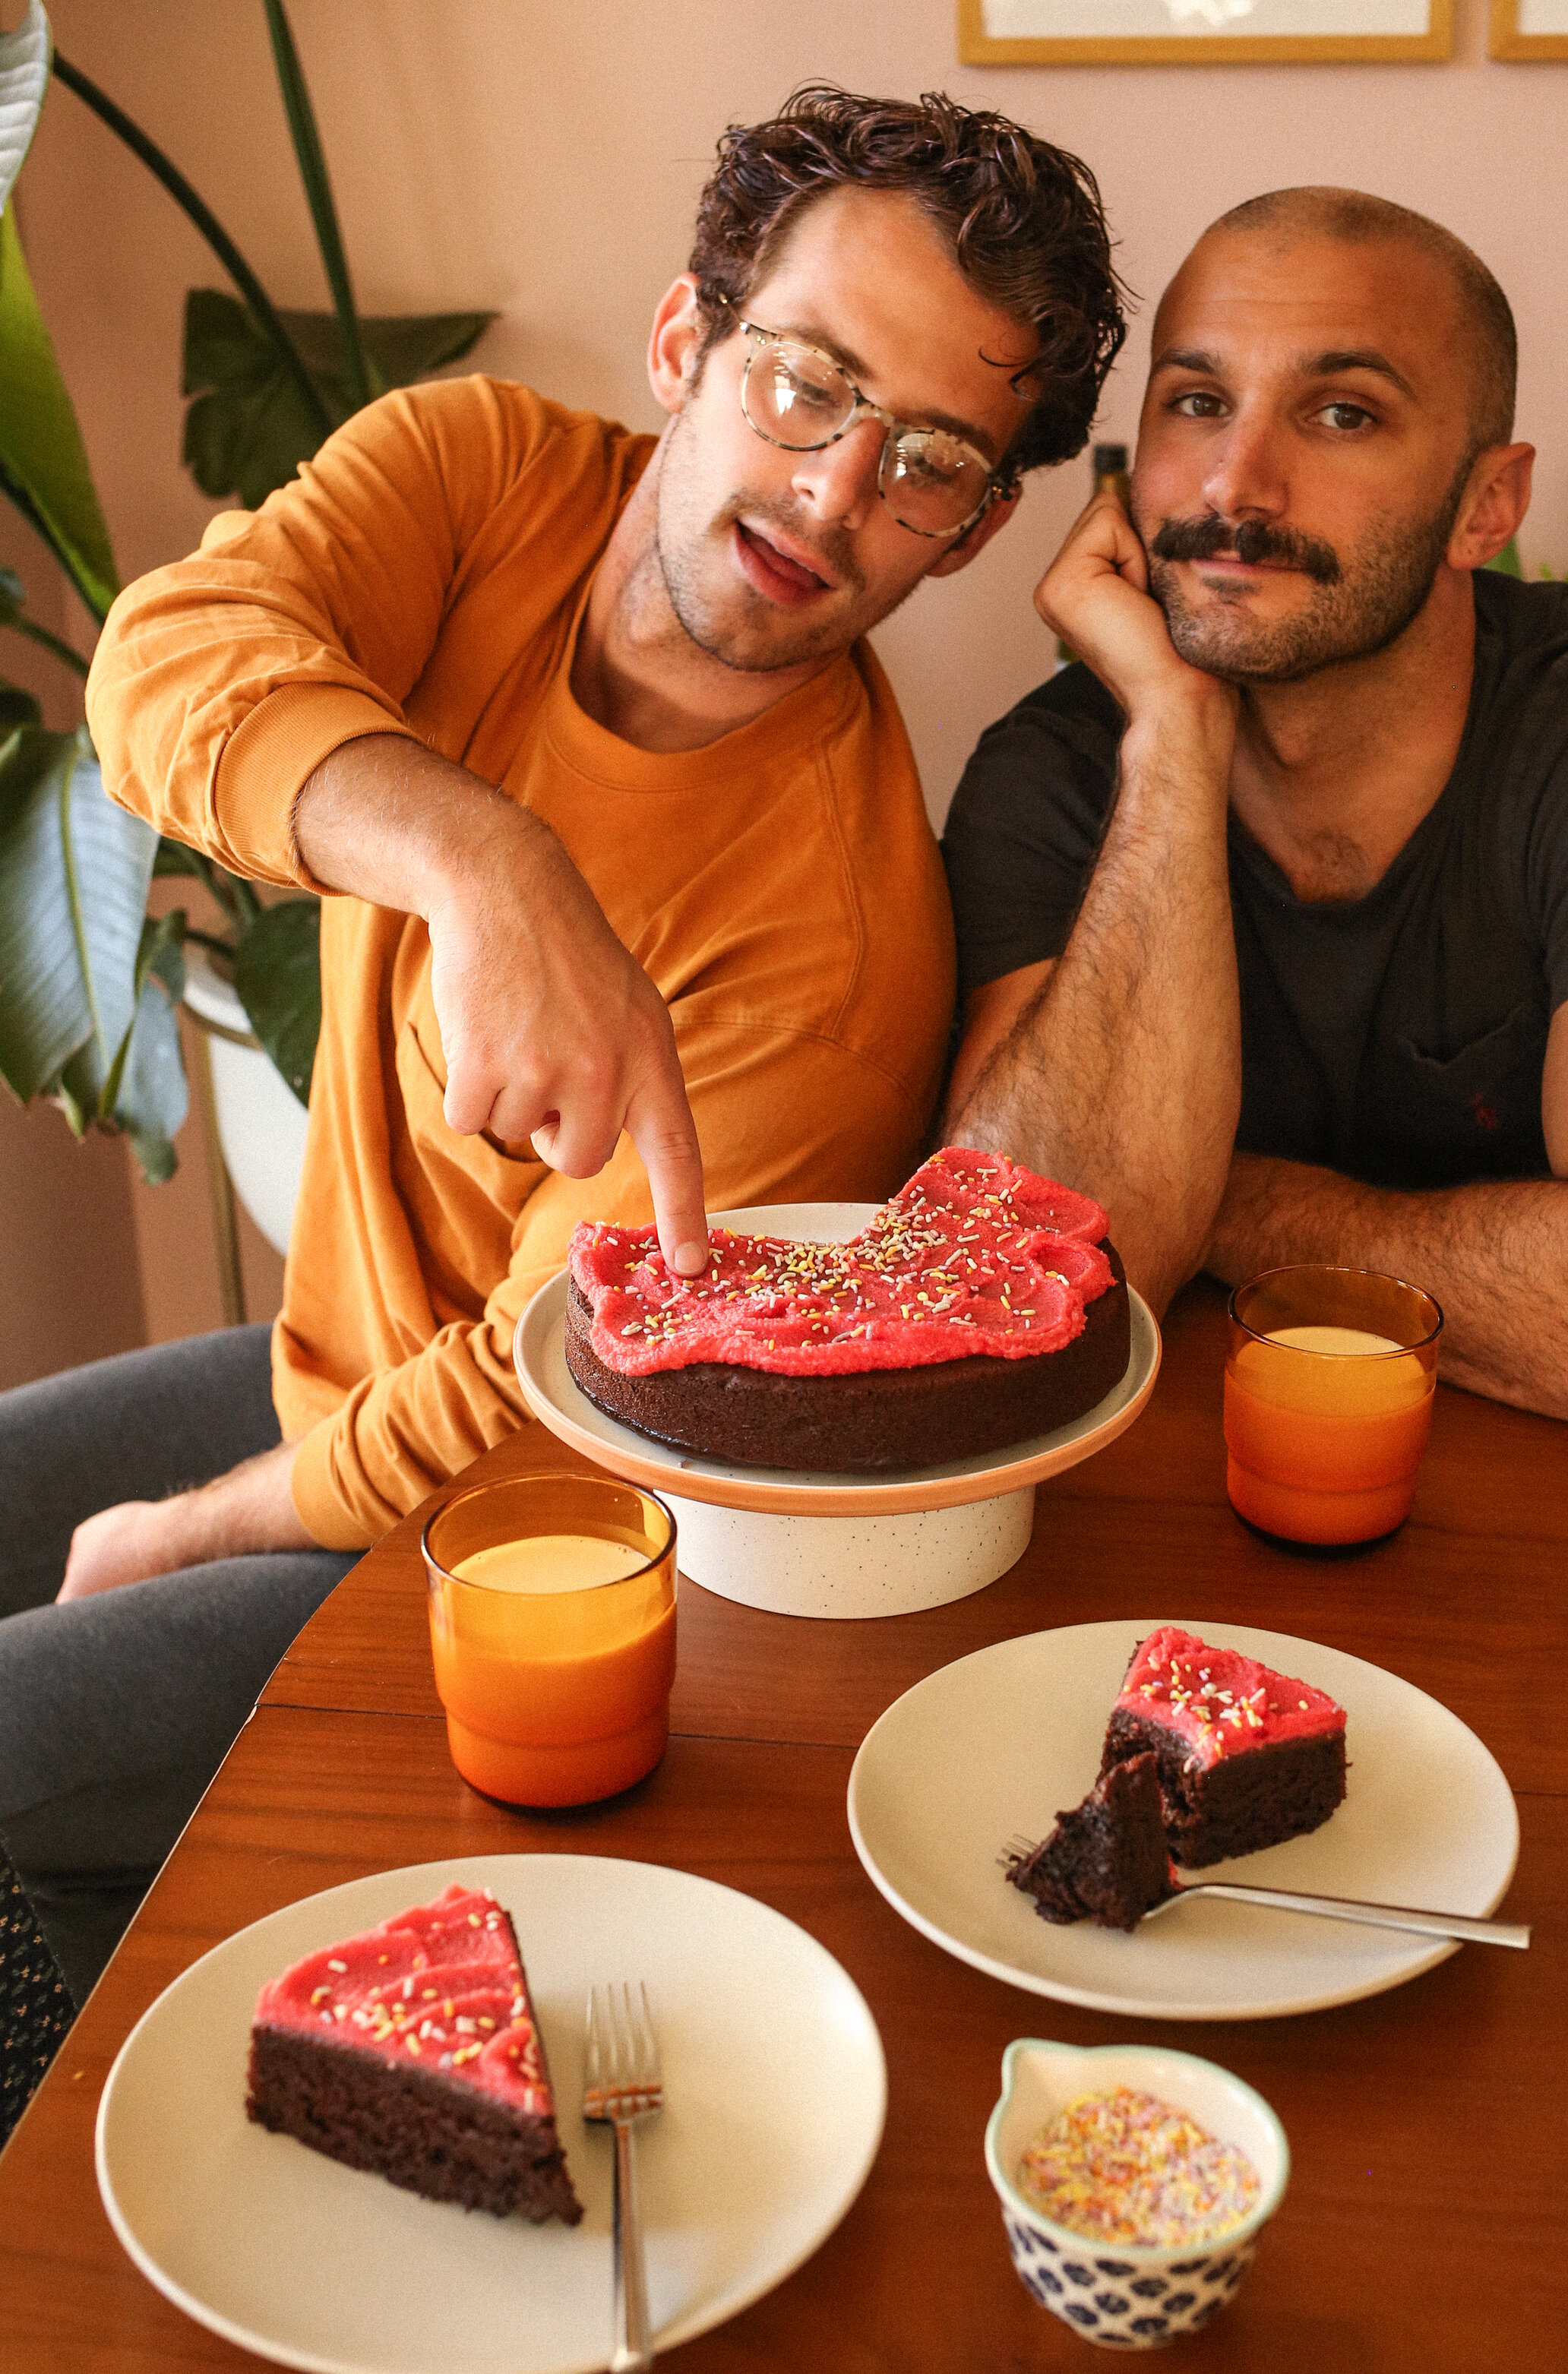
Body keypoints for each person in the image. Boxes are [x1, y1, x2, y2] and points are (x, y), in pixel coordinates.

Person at [0, 87, 1124, 1999]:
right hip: (325, 1377)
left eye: (928, 456)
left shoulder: (828, 955)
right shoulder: (488, 476)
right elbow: (166, 670)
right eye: (803, 382)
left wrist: (178, 1533)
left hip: (527, 1546)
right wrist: (487, 862)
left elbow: (531, 1410)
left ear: (975, 526)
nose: (833, 494)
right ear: (684, 343)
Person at [941, 188, 1568, 1449]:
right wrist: (1179, 738)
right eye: (1196, 403)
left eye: (1343, 413)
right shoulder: (1059, 766)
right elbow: (1008, 1260)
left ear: (1488, 506)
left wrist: (1204, 1206)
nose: (1237, 483)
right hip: (1165, 1504)